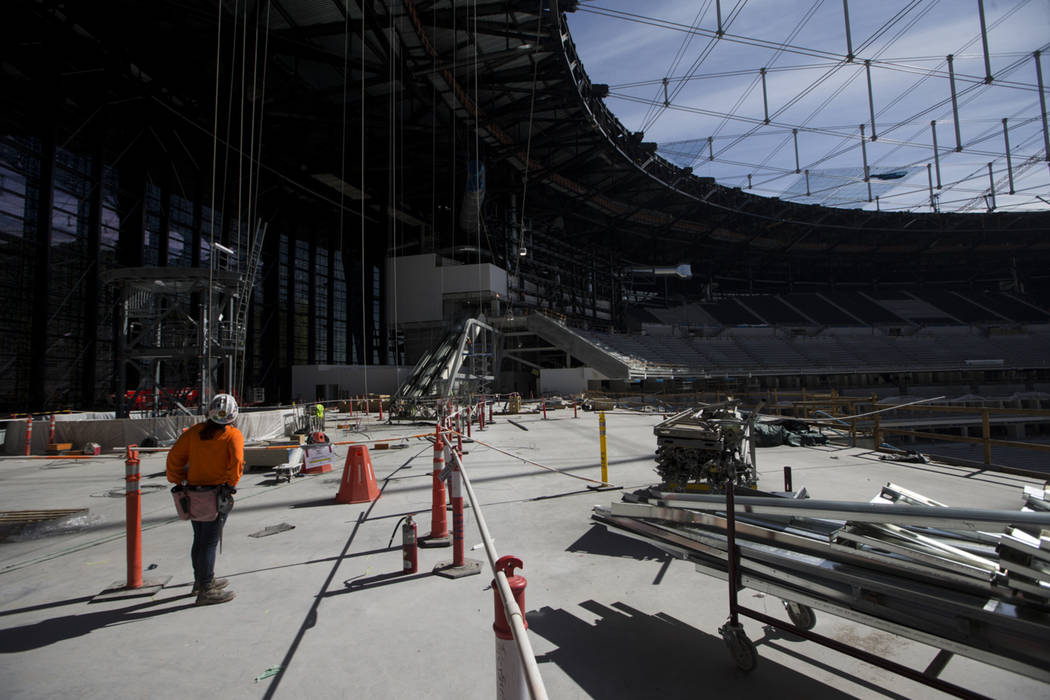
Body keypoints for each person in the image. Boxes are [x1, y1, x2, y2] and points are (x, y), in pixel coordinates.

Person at [166, 393, 244, 605]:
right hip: (217, 495)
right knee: (209, 542)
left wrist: (178, 481)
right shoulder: (232, 435)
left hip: (193, 493)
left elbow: (174, 458)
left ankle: (201, 581)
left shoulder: (193, 433)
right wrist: (231, 484)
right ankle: (206, 588)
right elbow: (237, 462)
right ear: (234, 415)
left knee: (199, 539)